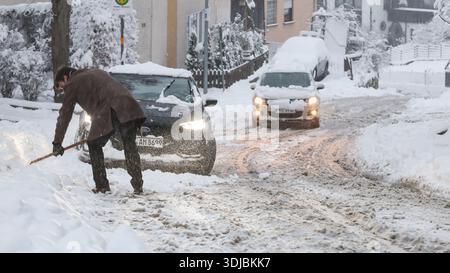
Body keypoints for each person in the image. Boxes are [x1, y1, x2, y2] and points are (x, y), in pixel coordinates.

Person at [52, 66, 146, 195]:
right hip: (129, 105)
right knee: (130, 146)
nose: (64, 90)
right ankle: (138, 184)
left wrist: (57, 143)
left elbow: (65, 115)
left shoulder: (73, 83)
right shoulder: (96, 71)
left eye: (62, 87)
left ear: (65, 78)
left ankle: (102, 186)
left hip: (110, 110)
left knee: (93, 144)